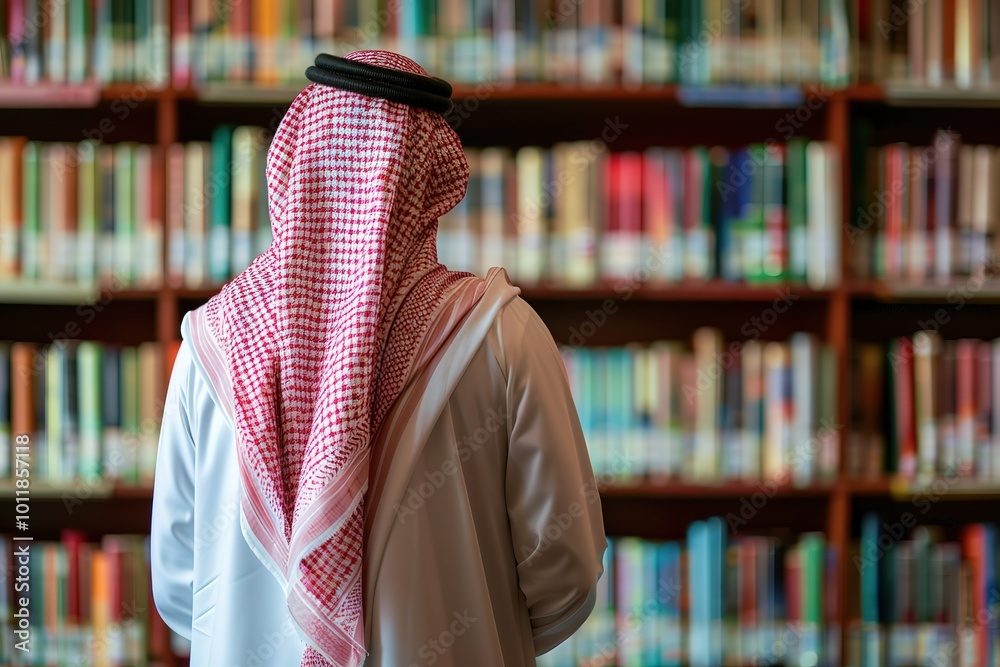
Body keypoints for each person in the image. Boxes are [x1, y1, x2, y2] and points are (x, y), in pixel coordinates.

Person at [150, 50, 606, 667]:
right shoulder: (504, 334)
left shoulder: (209, 342)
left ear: (294, 167)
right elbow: (564, 572)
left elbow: (179, 582)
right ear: (429, 178)